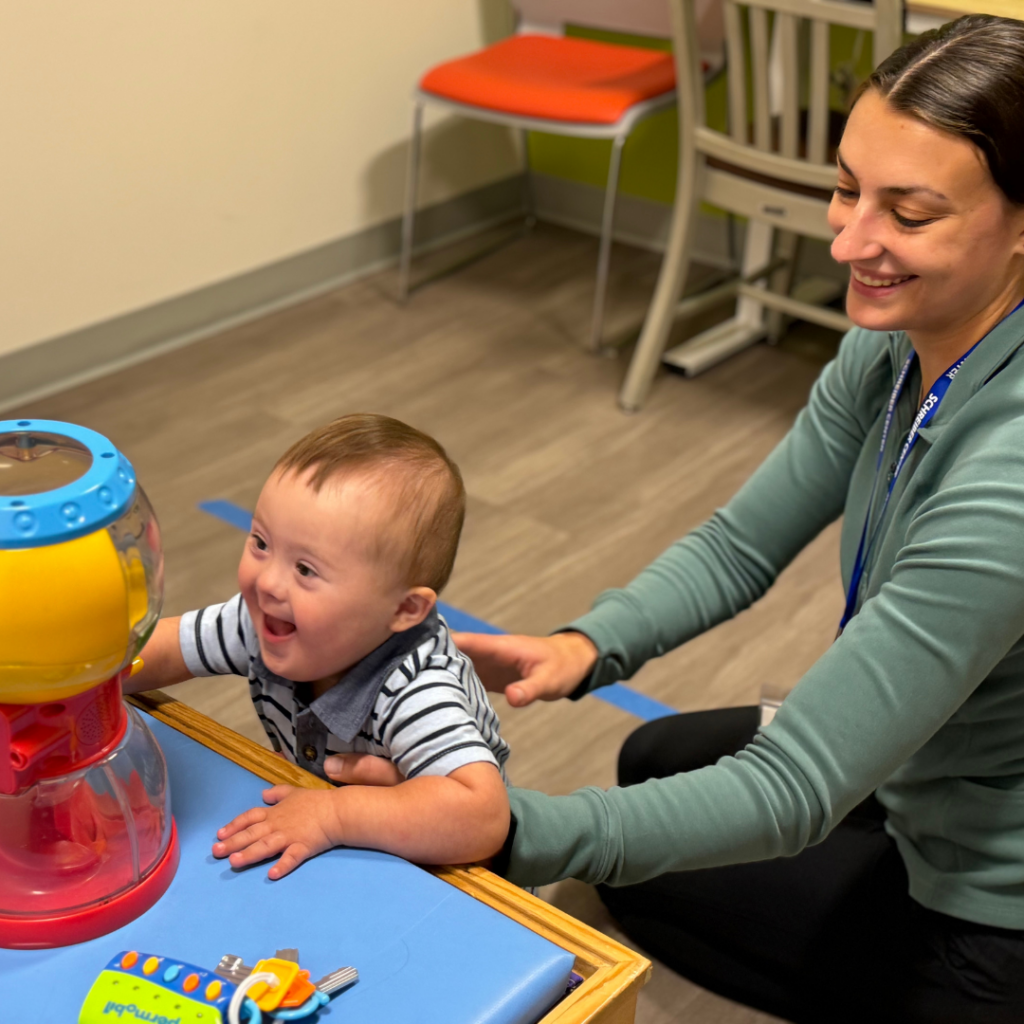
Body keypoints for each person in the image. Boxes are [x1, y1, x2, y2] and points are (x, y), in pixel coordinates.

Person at [444, 16, 1024, 1024]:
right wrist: (587, 643)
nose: (845, 242)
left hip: (991, 894)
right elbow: (742, 541)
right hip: (916, 775)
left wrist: (494, 831)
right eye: (846, 187)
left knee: (634, 854)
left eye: (909, 212)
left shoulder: (1007, 478)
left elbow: (790, 789)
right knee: (650, 764)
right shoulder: (901, 348)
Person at [127, 413, 510, 879]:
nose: (268, 581)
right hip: (340, 851)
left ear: (404, 609)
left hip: (450, 879)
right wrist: (76, 673)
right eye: (261, 542)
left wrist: (334, 815)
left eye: (306, 570)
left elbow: (482, 818)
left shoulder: (416, 688)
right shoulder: (266, 618)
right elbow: (165, 648)